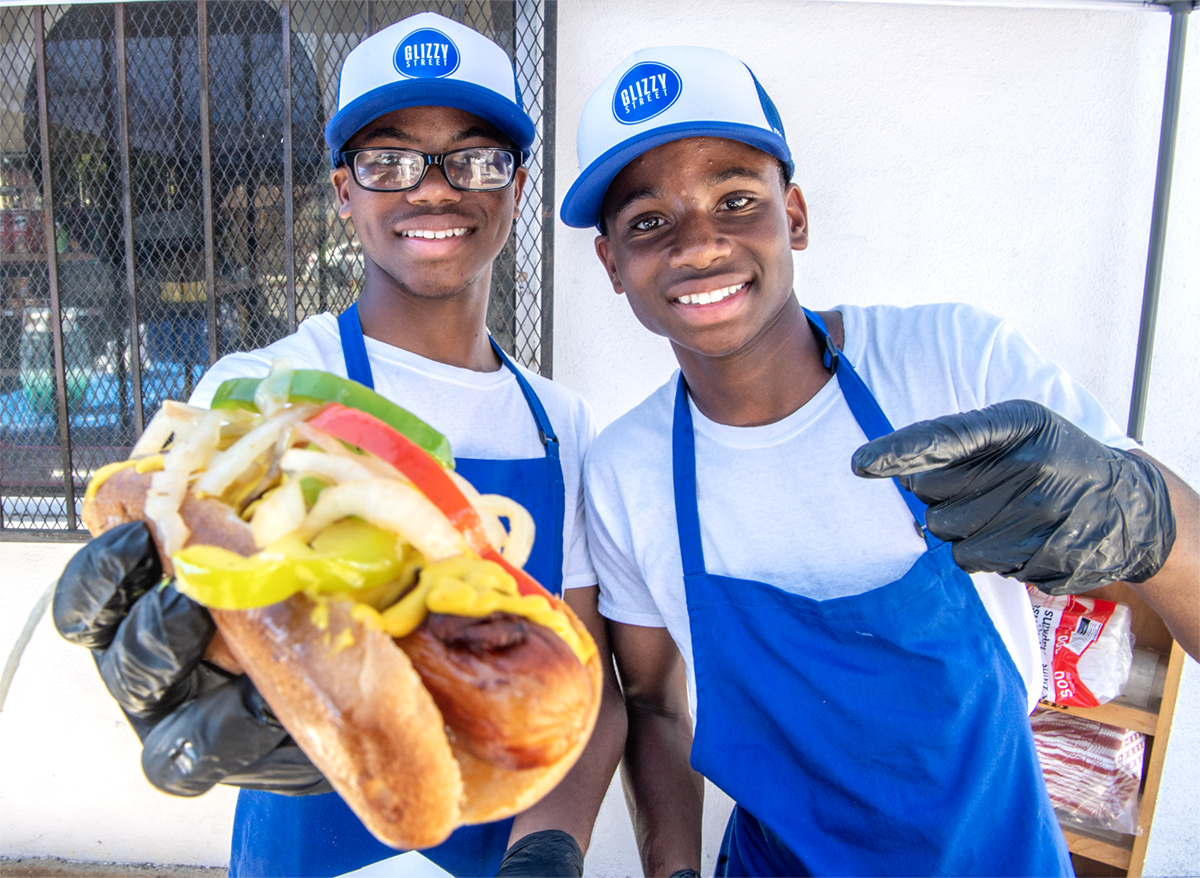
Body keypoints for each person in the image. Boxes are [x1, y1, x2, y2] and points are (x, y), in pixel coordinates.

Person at [560, 45, 1198, 877]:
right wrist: (672, 869)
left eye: (736, 198)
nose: (698, 244)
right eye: (648, 222)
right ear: (613, 263)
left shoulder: (952, 364)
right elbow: (650, 700)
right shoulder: (624, 471)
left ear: (794, 215)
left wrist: (1144, 519)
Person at [51, 13, 625, 878]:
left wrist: (545, 849)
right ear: (343, 190)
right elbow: (181, 631)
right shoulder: (259, 394)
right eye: (388, 160)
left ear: (516, 187)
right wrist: (168, 682)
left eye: (474, 158)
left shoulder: (561, 421)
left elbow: (584, 689)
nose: (434, 189)